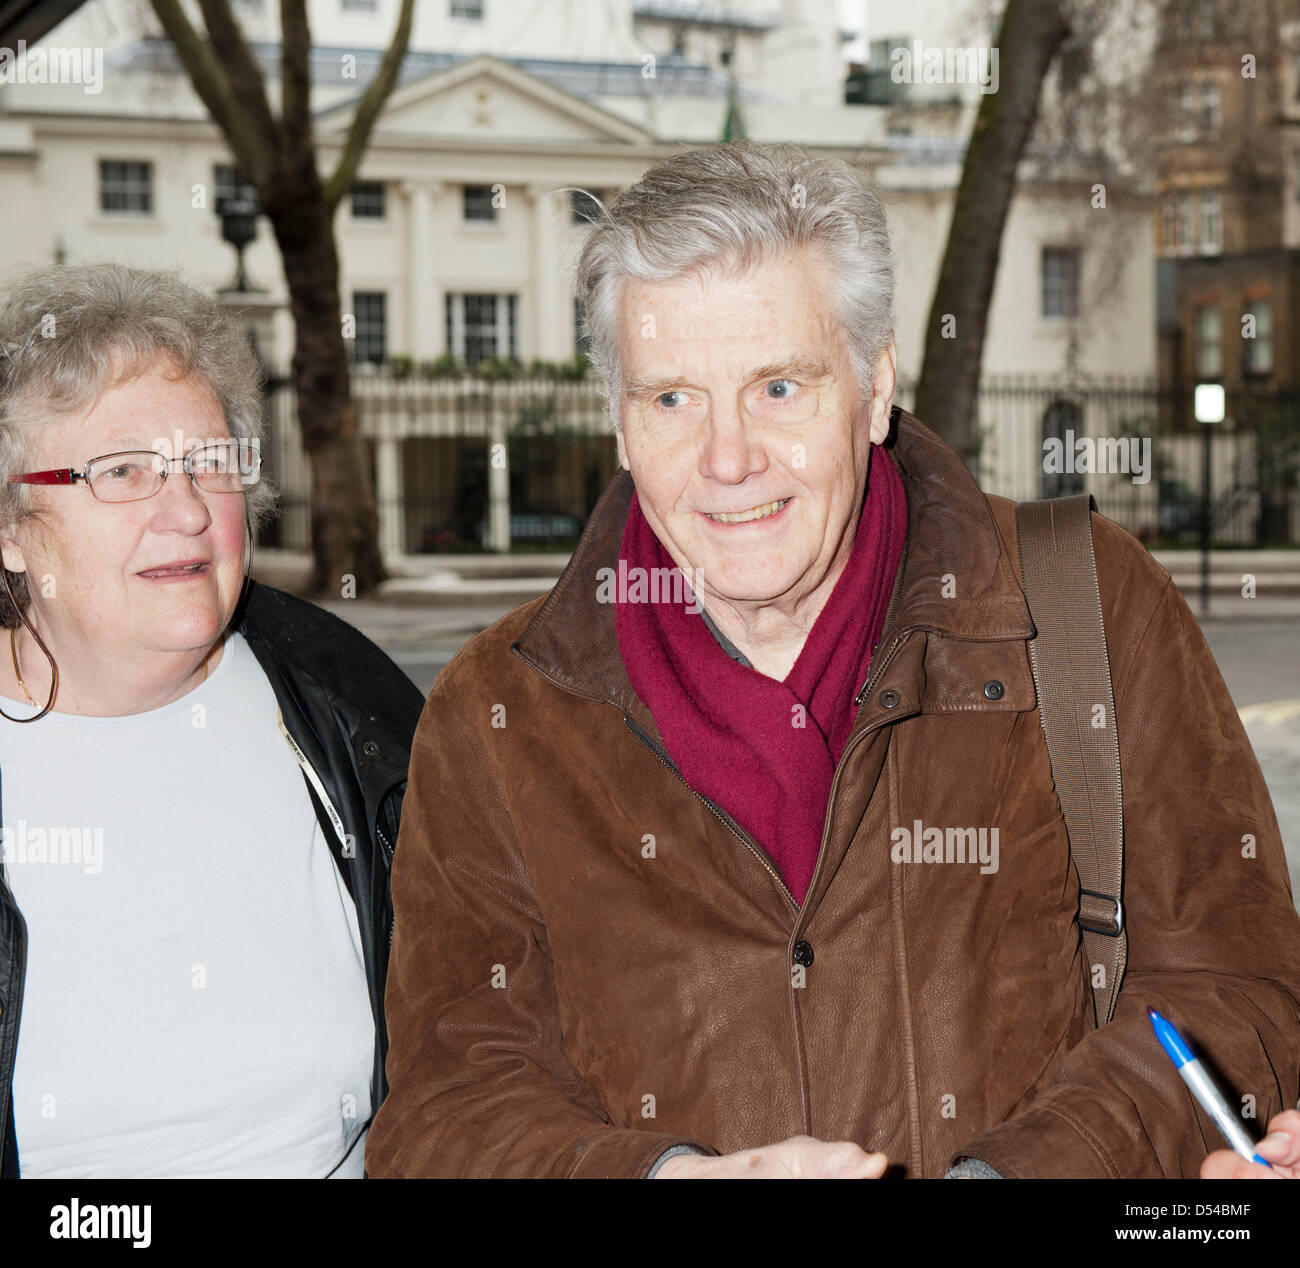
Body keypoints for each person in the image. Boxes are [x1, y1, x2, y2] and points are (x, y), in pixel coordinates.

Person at [365, 141, 1300, 1180]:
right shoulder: (498, 710)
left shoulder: (1088, 609)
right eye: (671, 398)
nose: (727, 459)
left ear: (873, 386)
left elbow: (1235, 983)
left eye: (777, 386)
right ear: (619, 423)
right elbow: (446, 1103)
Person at [0, 262, 422, 1178]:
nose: (186, 511)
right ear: (10, 524)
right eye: (123, 472)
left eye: (210, 464)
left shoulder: (356, 709)